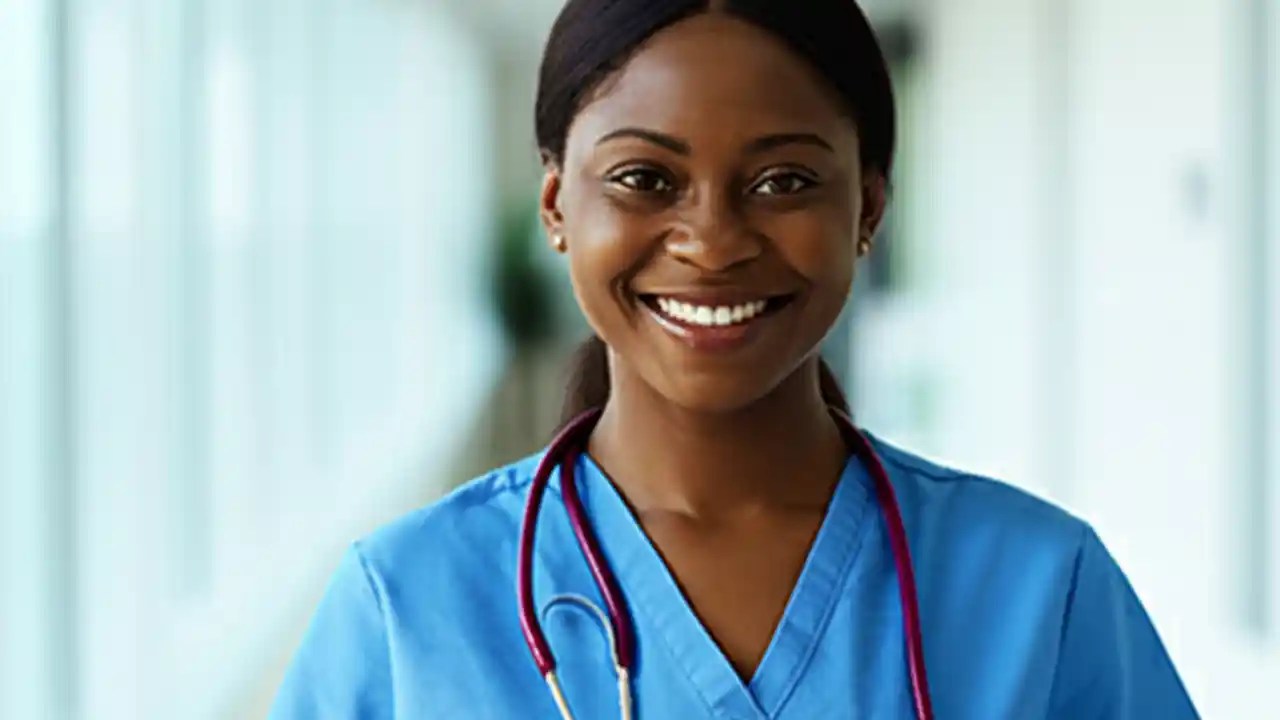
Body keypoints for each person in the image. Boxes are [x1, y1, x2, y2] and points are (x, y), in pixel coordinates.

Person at [269, 1, 1198, 717]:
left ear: (868, 208)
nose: (712, 243)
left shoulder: (1041, 590)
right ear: (556, 206)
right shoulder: (405, 608)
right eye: (645, 179)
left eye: (783, 181)